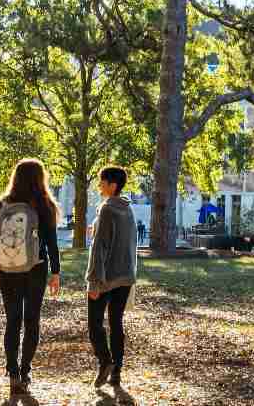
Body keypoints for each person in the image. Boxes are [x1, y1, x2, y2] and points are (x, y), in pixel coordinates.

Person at [0, 159, 61, 393]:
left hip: (6, 269)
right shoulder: (45, 204)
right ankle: (25, 370)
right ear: (40, 178)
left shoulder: (2, 204)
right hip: (35, 268)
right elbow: (51, 242)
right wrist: (56, 272)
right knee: (31, 321)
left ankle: (12, 371)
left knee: (12, 320)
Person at [86, 165, 138, 389]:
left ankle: (105, 361)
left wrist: (94, 281)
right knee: (116, 323)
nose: (99, 185)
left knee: (94, 324)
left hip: (105, 277)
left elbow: (100, 248)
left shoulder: (107, 209)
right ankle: (116, 372)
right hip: (125, 276)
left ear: (112, 185)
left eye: (102, 182)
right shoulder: (127, 209)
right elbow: (127, 241)